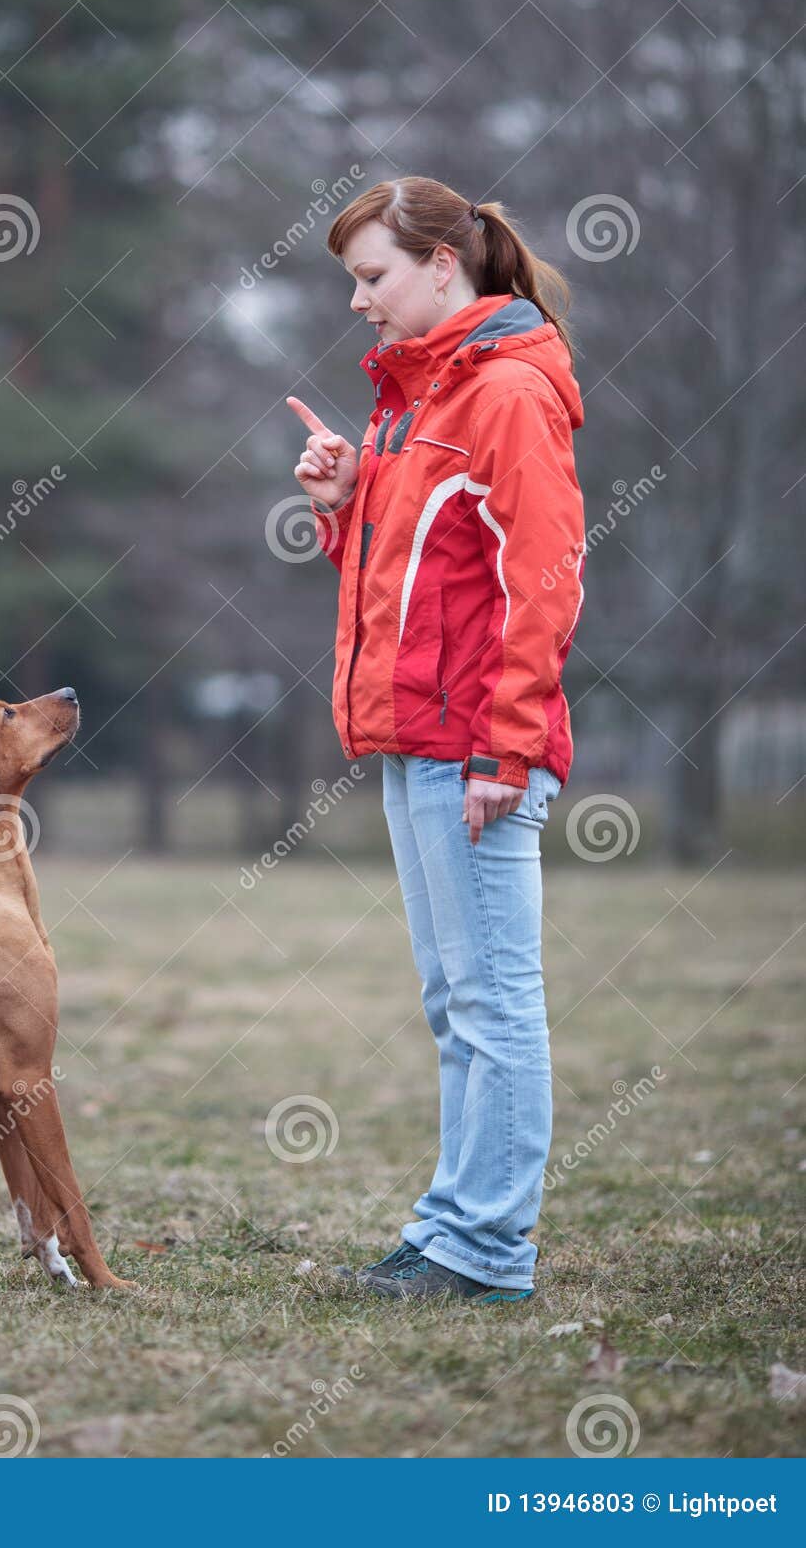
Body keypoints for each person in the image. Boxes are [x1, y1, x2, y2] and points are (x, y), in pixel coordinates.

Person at [289, 175, 586, 1304]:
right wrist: (343, 499)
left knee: (495, 1002)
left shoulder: (505, 392)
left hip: (477, 753)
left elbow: (543, 582)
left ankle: (486, 1250)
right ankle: (454, 1226)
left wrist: (505, 752)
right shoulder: (410, 399)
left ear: (441, 267)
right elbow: (413, 582)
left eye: (372, 277)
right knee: (454, 1003)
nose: (358, 302)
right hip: (419, 744)